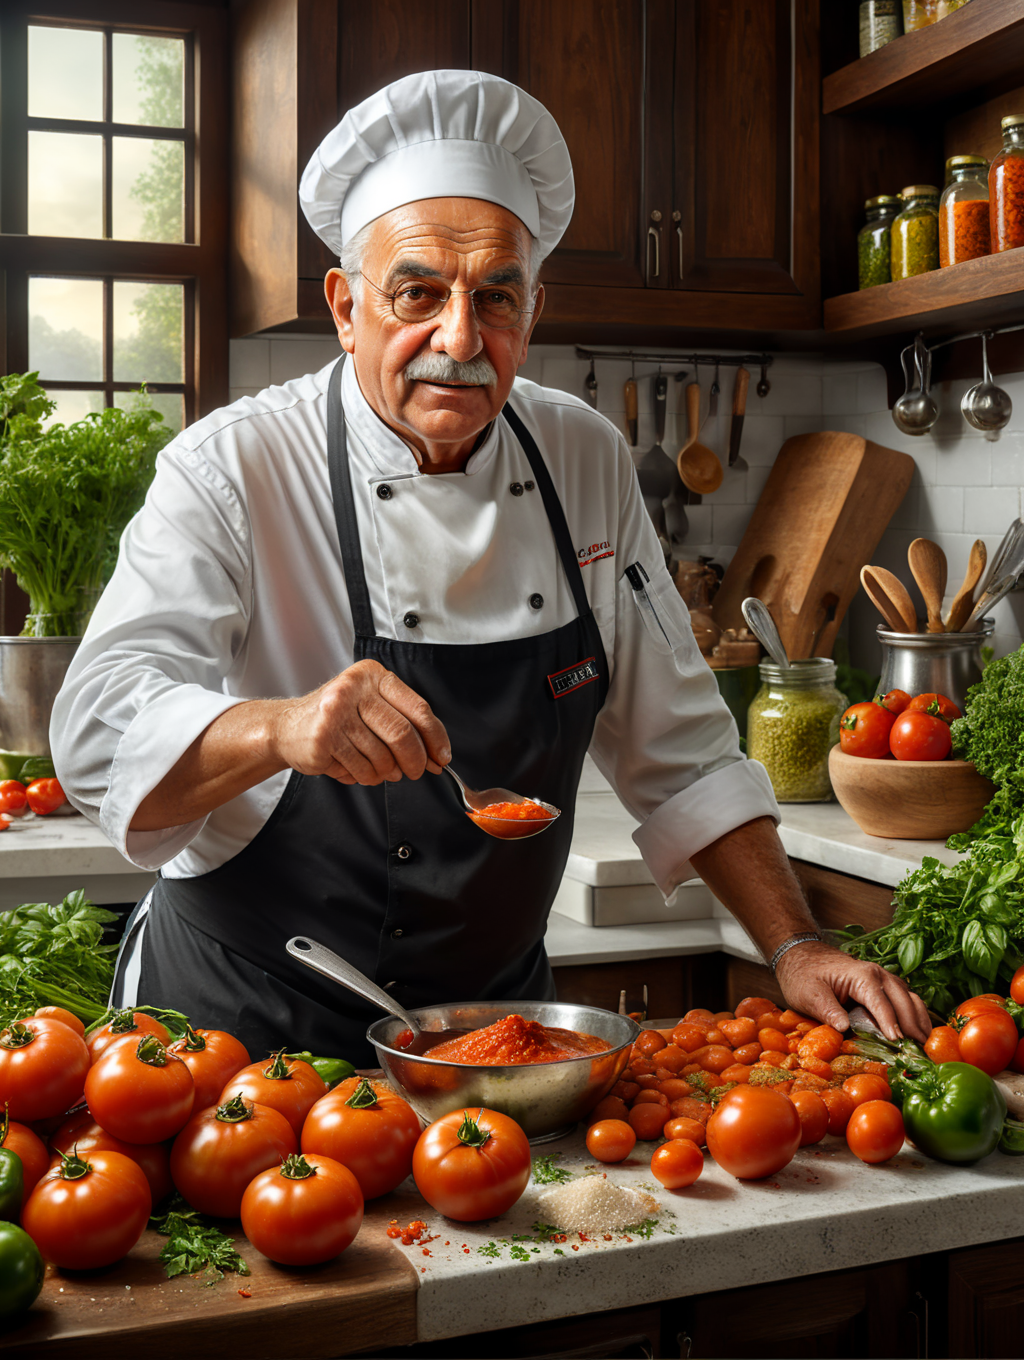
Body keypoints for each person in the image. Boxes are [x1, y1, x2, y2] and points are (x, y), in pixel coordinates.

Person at [51, 70, 930, 1063]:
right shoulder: (234, 466)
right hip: (243, 1032)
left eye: (495, 297)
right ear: (345, 307)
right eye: (417, 293)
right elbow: (95, 736)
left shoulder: (584, 456)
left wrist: (796, 945)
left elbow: (682, 747)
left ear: (533, 310)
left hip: (493, 1040)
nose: (460, 338)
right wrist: (281, 727)